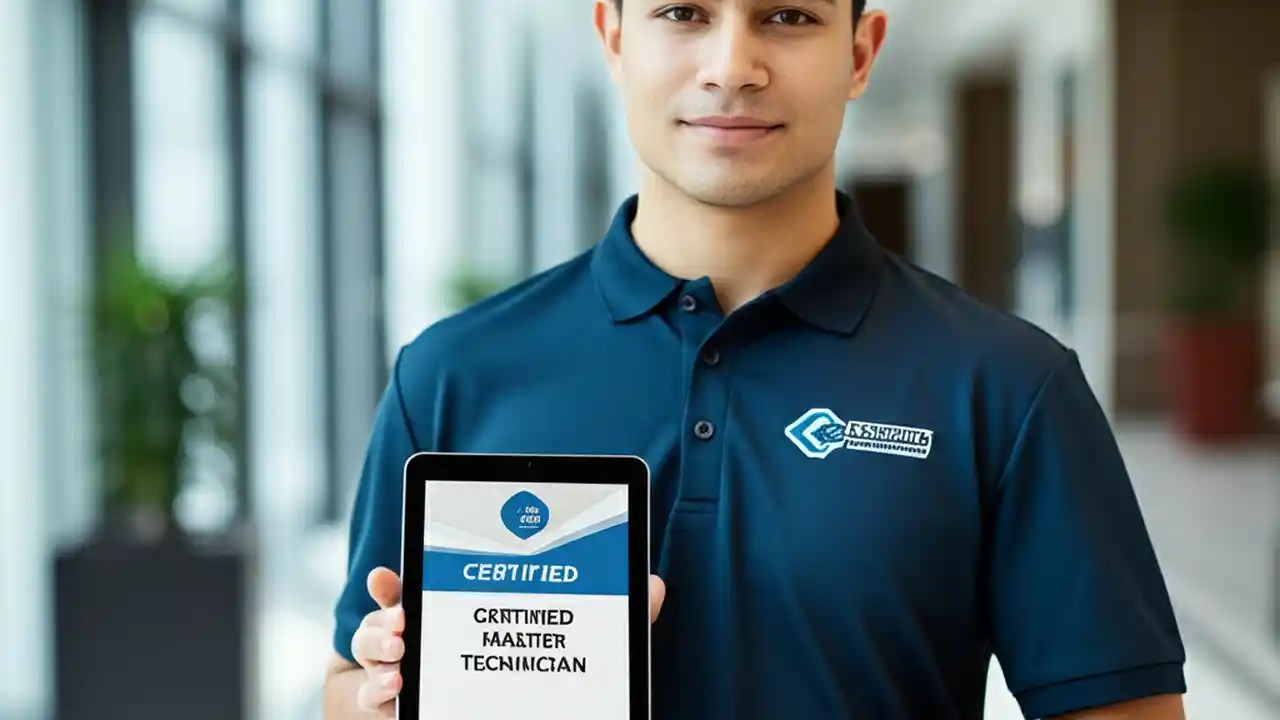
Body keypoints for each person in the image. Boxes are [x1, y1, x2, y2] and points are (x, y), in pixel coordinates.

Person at [323, 1, 1188, 718]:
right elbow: (346, 687)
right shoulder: (454, 376)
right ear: (615, 37)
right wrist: (382, 696)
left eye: (785, 16)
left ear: (860, 51)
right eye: (684, 13)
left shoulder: (1006, 387)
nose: (732, 65)